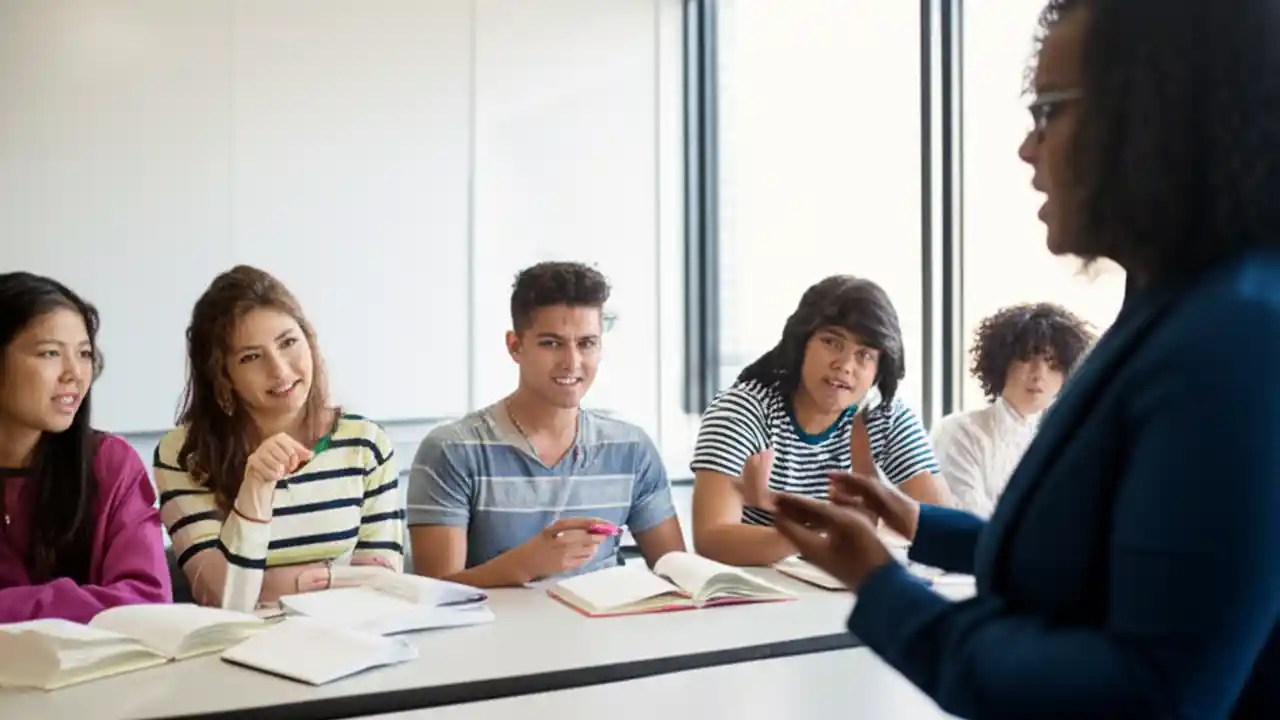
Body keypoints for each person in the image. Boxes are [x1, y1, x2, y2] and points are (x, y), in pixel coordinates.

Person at [767, 1, 1280, 716]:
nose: (1026, 149)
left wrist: (884, 589)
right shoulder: (1176, 308)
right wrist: (918, 526)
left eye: (1048, 113)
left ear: (1150, 120)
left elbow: (1150, 694)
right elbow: (1094, 562)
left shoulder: (1234, 339)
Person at [408, 262, 685, 587]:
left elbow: (677, 571)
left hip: (605, 632)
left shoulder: (631, 449)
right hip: (500, 636)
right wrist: (526, 564)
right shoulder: (452, 450)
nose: (572, 362)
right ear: (515, 346)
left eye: (586, 343)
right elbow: (434, 596)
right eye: (552, 343)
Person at [154, 266, 403, 611]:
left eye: (288, 343)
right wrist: (256, 486)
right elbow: (221, 597)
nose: (280, 370)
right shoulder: (185, 454)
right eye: (251, 357)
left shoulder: (365, 444)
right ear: (223, 376)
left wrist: (277, 584)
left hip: (348, 641)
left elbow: (385, 586)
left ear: (309, 340)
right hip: (237, 651)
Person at [691, 275, 949, 567]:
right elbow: (712, 538)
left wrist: (868, 514)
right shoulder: (744, 409)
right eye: (831, 342)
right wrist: (822, 528)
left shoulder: (884, 416)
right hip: (759, 594)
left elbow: (941, 524)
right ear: (801, 343)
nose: (845, 365)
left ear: (879, 369)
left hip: (846, 589)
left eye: (864, 354)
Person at [0, 272, 170, 622]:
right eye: (49, 353)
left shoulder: (110, 464)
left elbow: (147, 600)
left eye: (84, 354)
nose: (74, 374)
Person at [931, 302, 1093, 517]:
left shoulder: (1064, 440)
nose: (1038, 374)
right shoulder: (961, 431)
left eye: (1051, 362)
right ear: (1001, 362)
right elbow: (968, 517)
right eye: (1026, 358)